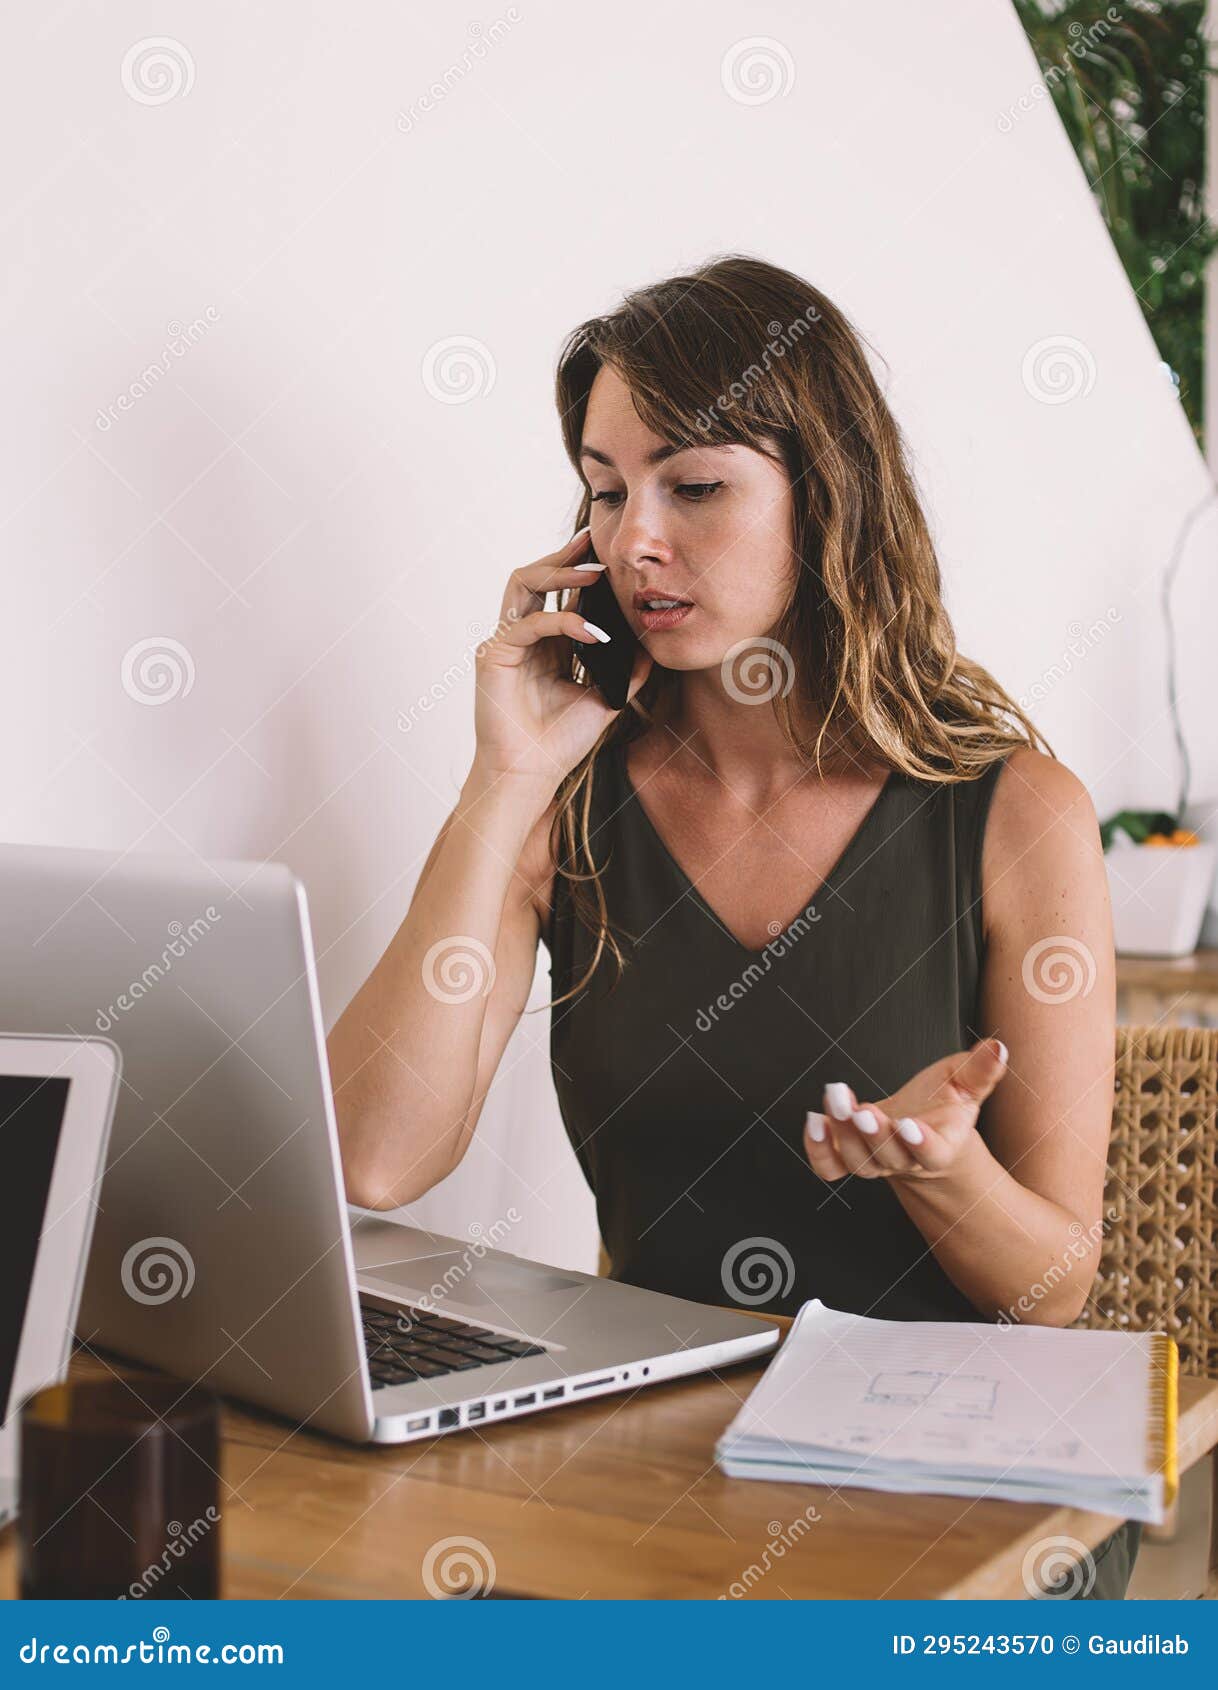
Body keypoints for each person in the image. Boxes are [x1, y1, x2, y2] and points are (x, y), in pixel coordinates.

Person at [327, 254, 1137, 1597]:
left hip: (953, 1498)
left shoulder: (1010, 813)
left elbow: (1048, 1290)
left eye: (693, 484)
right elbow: (373, 1154)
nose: (634, 534)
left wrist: (940, 1168)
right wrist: (502, 782)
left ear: (827, 495)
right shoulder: (564, 798)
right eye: (603, 486)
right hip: (659, 1473)